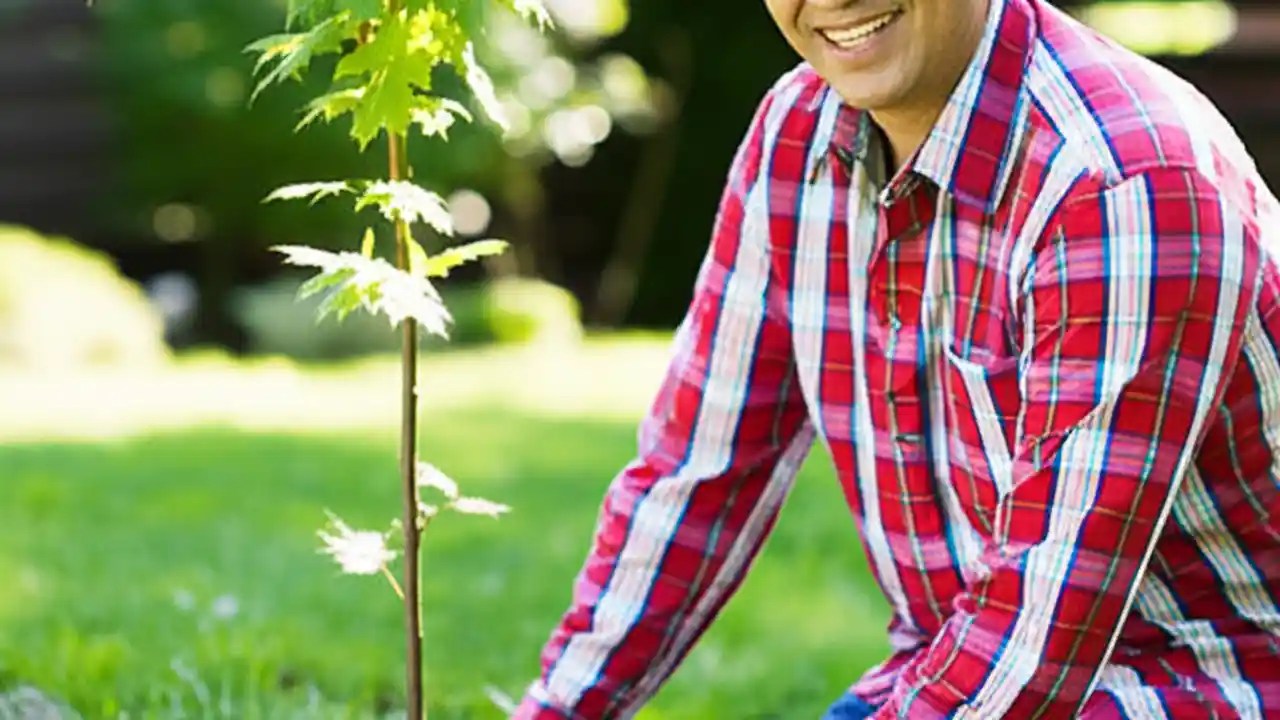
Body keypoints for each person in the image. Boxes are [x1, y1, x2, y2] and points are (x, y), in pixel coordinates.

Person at [515, 0, 1280, 716]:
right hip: (954, 673)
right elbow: (691, 478)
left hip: (1215, 680)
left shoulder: (1123, 184)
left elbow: (1040, 637)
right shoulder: (795, 136)